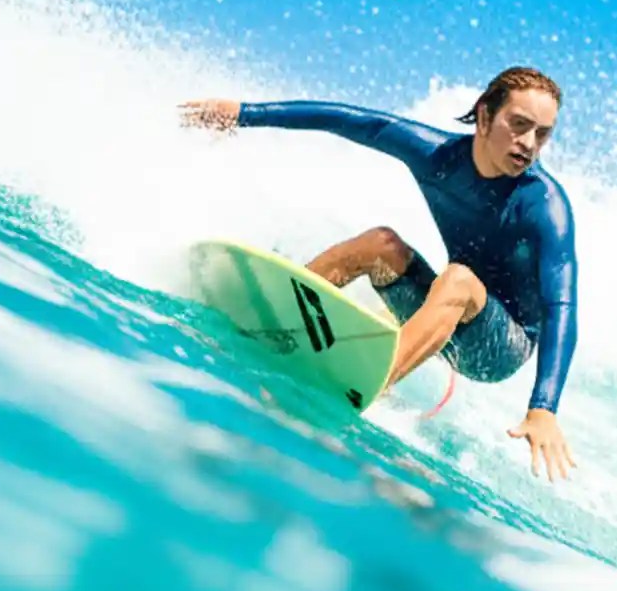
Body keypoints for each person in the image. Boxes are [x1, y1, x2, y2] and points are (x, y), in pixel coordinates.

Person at [180, 66, 579, 482]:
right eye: (519, 125)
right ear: (484, 116)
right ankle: (278, 316)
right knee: (381, 244)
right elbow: (351, 121)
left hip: (499, 347)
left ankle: (373, 385)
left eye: (543, 134)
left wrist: (543, 407)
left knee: (459, 278)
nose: (529, 144)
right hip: (445, 304)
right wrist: (244, 113)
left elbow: (562, 307)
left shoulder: (545, 205)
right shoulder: (439, 156)